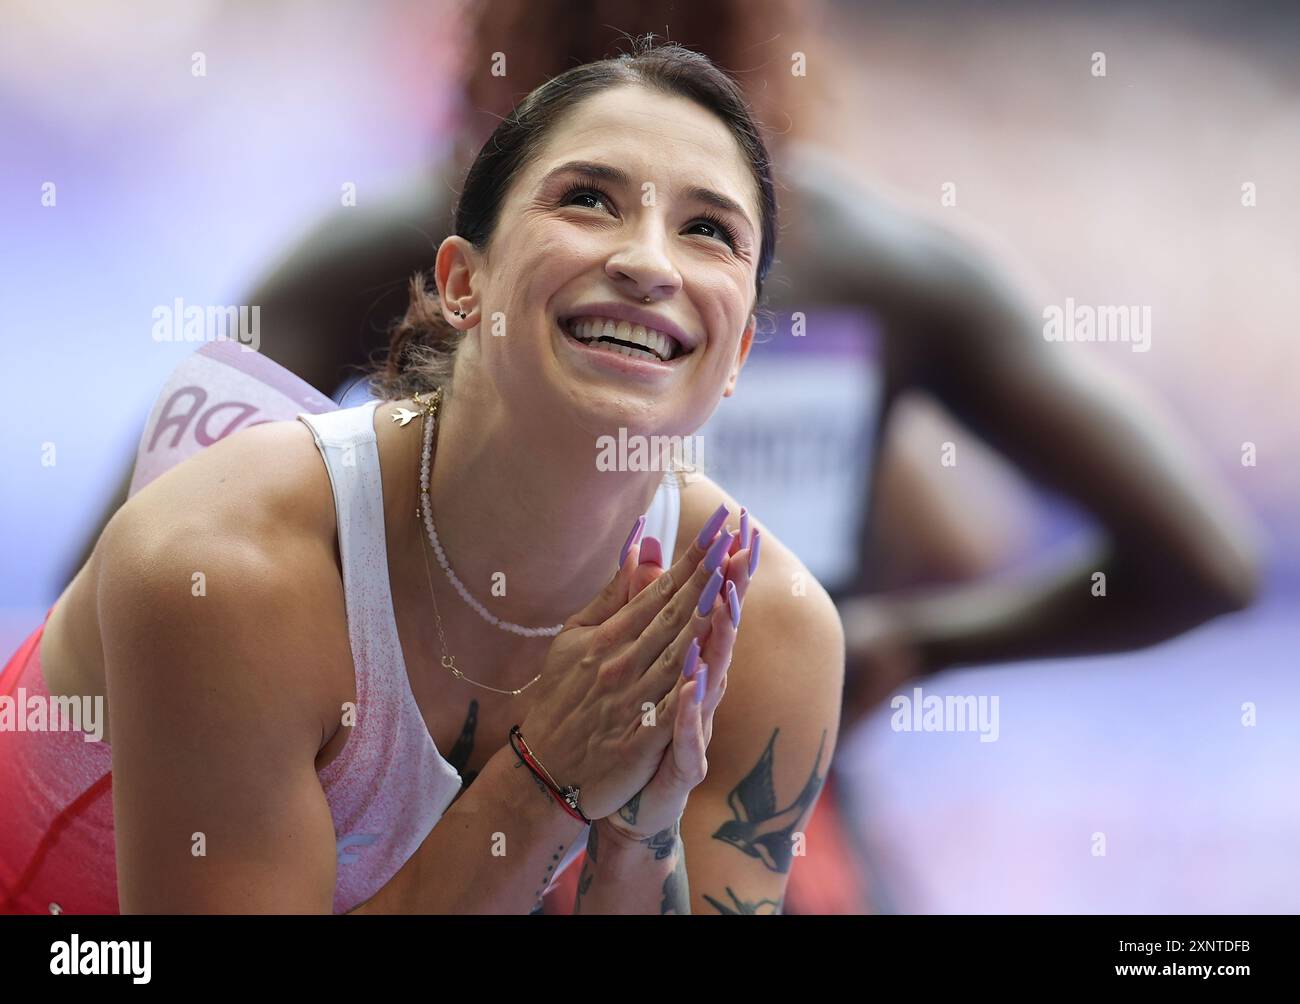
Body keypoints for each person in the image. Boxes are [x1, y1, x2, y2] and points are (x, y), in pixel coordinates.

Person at [0, 40, 844, 915]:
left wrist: (637, 841)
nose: (649, 263)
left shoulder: (770, 626)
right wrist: (544, 781)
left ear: (740, 350)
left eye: (707, 230)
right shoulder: (224, 566)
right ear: (461, 283)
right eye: (588, 201)